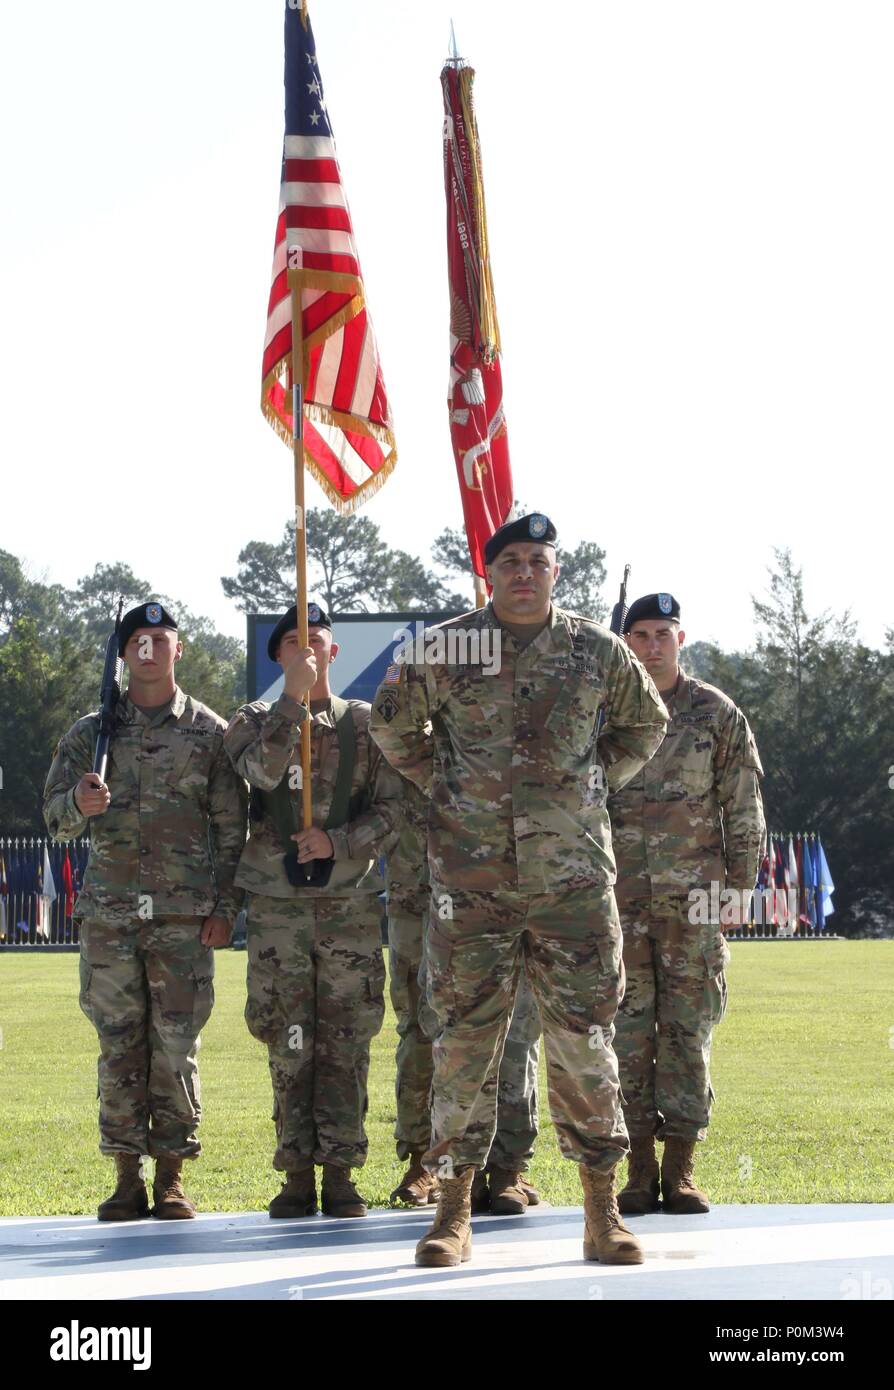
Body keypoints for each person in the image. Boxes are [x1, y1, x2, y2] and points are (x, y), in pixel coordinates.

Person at [370, 514, 669, 1267]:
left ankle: (602, 1213)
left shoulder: (596, 649)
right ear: (489, 572)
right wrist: (447, 785)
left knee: (583, 1040)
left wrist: (591, 783)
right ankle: (451, 1210)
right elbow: (390, 723)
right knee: (464, 1041)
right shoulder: (447, 645)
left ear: (556, 572)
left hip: (572, 884)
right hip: (471, 886)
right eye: (511, 561)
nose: (525, 572)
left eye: (539, 561)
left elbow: (646, 724)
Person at [43, 601, 247, 1221]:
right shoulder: (91, 732)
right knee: (119, 1046)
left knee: (176, 1046)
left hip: (183, 922)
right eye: (139, 641)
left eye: (162, 639)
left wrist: (225, 908)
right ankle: (126, 1175)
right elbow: (54, 819)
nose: (151, 650)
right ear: (125, 653)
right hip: (110, 919)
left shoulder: (209, 733)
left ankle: (173, 1177)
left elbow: (231, 830)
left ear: (178, 650)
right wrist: (80, 802)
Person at [224, 602, 402, 1219]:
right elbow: (258, 771)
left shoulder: (366, 723)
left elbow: (394, 810)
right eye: (293, 645)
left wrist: (339, 841)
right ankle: (297, 1170)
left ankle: (344, 1169)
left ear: (335, 652)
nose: (306, 653)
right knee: (287, 1035)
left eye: (317, 642)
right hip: (279, 909)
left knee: (347, 1040)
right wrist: (289, 705)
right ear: (278, 657)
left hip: (348, 906)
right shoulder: (252, 720)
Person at [609, 593, 765, 1214]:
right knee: (627, 1035)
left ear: (681, 639)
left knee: (688, 1032)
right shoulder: (604, 713)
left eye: (663, 634)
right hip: (617, 900)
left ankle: (682, 1171)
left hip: (694, 902)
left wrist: (741, 885)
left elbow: (744, 803)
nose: (652, 646)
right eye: (640, 634)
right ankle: (639, 1172)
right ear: (626, 642)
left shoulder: (715, 713)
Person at [387, 776, 543, 1215]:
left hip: (500, 895)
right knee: (421, 1031)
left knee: (516, 1031)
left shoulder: (499, 713)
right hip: (417, 897)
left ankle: (508, 1166)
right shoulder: (397, 724)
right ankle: (424, 1161)